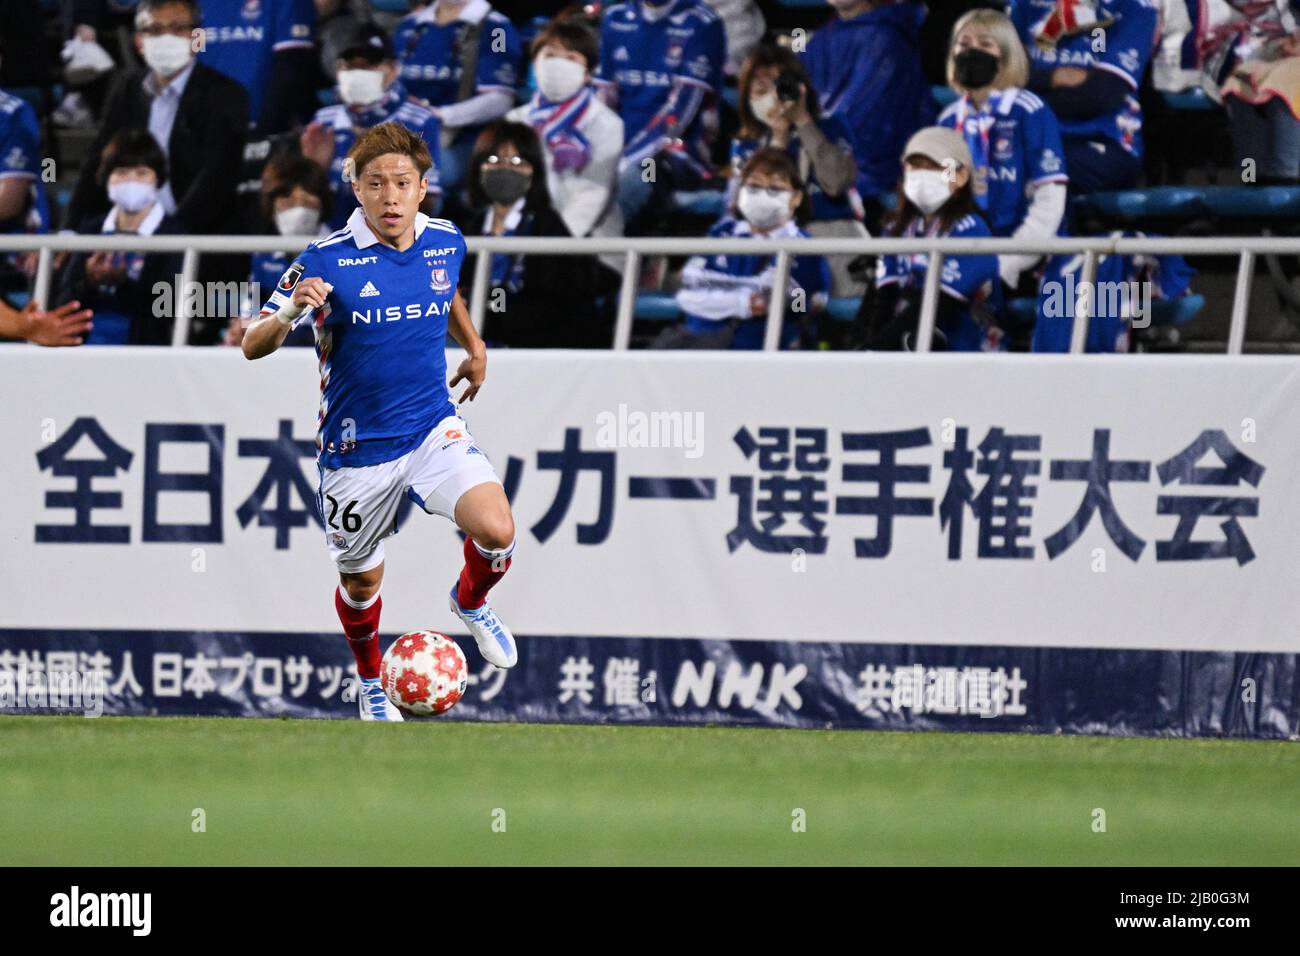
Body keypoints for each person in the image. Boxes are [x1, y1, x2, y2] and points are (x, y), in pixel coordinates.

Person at [240, 122, 519, 721]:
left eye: (402, 183)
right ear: (356, 189)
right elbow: (252, 345)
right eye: (375, 184)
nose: (390, 197)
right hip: (356, 450)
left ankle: (470, 602)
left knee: (497, 531)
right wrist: (291, 308)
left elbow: (443, 292)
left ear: (423, 188)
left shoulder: (445, 241)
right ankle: (371, 681)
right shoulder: (325, 260)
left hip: (430, 428)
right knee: (362, 586)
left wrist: (474, 346)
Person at [64, 0, 250, 236]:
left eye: (178, 28)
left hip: (198, 237)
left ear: (197, 39)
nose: (166, 38)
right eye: (154, 30)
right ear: (139, 42)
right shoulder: (126, 88)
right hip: (128, 231)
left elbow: (217, 177)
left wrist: (168, 238)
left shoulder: (226, 94)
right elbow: (97, 160)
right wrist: (69, 230)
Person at [937, 8, 1068, 291]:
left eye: (985, 44)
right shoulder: (948, 120)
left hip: (1024, 258)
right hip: (964, 255)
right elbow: (946, 200)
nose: (972, 52)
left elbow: (1050, 200)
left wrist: (1007, 261)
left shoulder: (1029, 110)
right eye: (964, 43)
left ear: (1006, 56)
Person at [670, 148, 830, 350]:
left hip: (764, 354)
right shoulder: (722, 232)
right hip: (697, 346)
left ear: (796, 198)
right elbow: (689, 290)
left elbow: (787, 302)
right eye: (754, 186)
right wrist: (743, 298)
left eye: (776, 188)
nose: (763, 195)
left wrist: (717, 287)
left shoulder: (803, 246)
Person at [857, 126, 1000, 351]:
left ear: (960, 176)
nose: (923, 175)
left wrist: (876, 349)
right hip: (902, 344)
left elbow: (939, 303)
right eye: (915, 167)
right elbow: (883, 295)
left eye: (935, 167)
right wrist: (864, 349)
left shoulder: (972, 229)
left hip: (963, 351)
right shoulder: (896, 228)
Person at [463, 121, 605, 347]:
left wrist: (494, 310)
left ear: (534, 171)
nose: (505, 169)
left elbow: (554, 306)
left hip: (533, 348)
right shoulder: (471, 227)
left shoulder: (549, 227)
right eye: (494, 160)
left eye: (517, 162)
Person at [596, 0, 727, 230]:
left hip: (676, 156)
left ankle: (604, 262)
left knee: (633, 181)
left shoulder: (703, 22)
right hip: (618, 150)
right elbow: (602, 99)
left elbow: (678, 118)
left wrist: (626, 160)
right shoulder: (614, 18)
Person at [300, 23, 443, 230]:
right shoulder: (324, 121)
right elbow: (305, 202)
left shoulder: (417, 121)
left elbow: (428, 201)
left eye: (367, 66)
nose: (357, 74)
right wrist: (314, 170)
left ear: (392, 70)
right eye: (349, 66)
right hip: (332, 237)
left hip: (390, 240)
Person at [801, 0, 932, 224]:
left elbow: (870, 133)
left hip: (871, 187)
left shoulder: (887, 40)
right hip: (822, 169)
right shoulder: (818, 39)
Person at [1009, 0, 1159, 194]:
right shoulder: (1025, 5)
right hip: (1033, 138)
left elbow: (1099, 97)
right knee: (962, 166)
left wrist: (1030, 93)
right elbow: (1003, 80)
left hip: (1103, 140)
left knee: (1041, 172)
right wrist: (1053, 77)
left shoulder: (1132, 6)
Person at [56, 129, 182, 345]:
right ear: (107, 177)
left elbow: (169, 307)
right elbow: (63, 301)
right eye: (122, 172)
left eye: (142, 173)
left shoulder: (175, 235)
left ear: (158, 179)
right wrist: (89, 280)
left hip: (144, 354)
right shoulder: (91, 230)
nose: (131, 180)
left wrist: (125, 282)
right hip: (82, 349)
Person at [506, 19, 624, 249]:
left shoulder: (607, 123)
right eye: (550, 55)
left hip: (585, 247)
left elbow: (593, 192)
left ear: (588, 72)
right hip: (515, 238)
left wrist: (550, 245)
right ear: (536, 63)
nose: (558, 65)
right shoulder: (514, 120)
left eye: (571, 58)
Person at [392, 0, 523, 197]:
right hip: (400, 135)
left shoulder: (498, 30)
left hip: (460, 141)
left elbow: (500, 99)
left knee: (406, 176)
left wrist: (440, 115)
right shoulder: (409, 25)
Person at [731, 44, 860, 222]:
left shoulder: (832, 126)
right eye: (761, 91)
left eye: (778, 87)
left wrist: (803, 121)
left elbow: (837, 184)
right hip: (774, 235)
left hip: (828, 232)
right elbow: (755, 209)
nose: (772, 98)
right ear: (747, 99)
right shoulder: (745, 143)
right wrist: (778, 141)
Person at [225, 154, 334, 348]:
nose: (298, 211)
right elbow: (250, 312)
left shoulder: (341, 252)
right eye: (288, 202)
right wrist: (241, 328)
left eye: (307, 201)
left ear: (322, 203)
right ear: (272, 206)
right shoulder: (264, 254)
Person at [196, 0, 317, 136]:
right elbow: (193, 60)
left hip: (265, 131)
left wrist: (260, 133)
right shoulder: (196, 6)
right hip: (207, 133)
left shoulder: (287, 3)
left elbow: (291, 72)